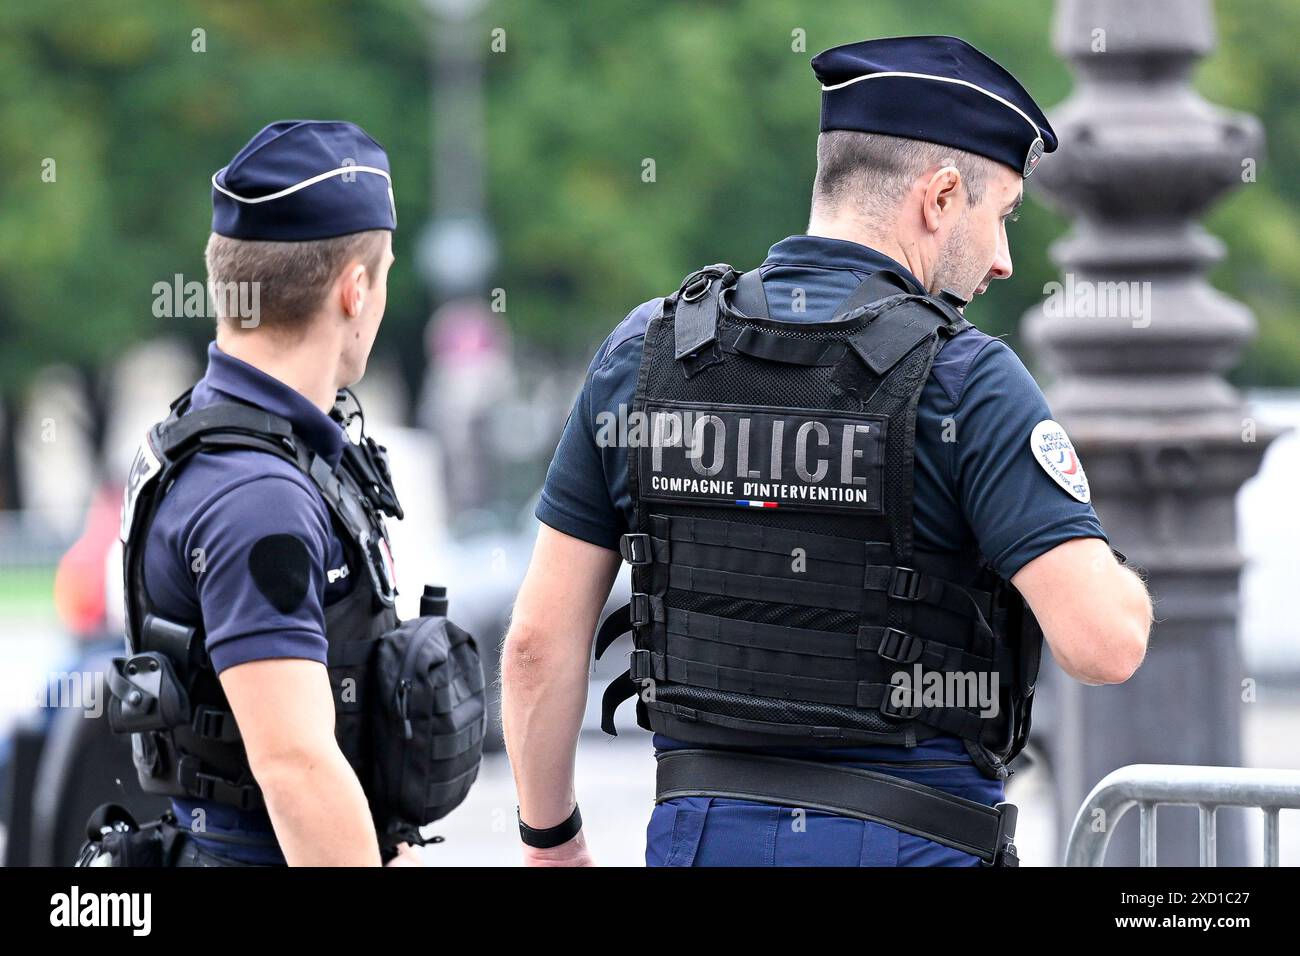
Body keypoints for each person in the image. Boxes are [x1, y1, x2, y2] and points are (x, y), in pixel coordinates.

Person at [502, 35, 1153, 867]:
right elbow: (1105, 642)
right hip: (911, 842)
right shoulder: (966, 379)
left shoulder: (646, 352)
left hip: (697, 840)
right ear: (942, 196)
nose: (1002, 259)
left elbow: (535, 644)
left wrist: (551, 840)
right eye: (1002, 216)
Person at [95, 120, 441, 867]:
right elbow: (295, 767)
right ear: (355, 290)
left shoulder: (229, 444)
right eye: (383, 276)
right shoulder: (256, 493)